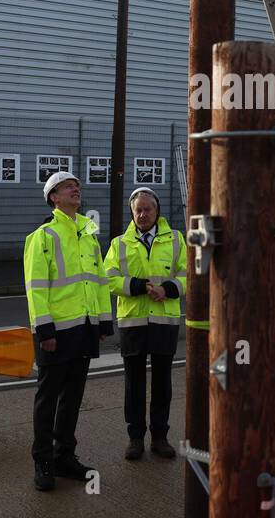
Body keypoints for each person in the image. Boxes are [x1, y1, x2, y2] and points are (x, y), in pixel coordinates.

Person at [25, 171, 113, 491]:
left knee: (72, 398)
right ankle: (43, 460)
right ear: (53, 198)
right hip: (56, 332)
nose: (76, 189)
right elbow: (35, 288)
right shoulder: (43, 236)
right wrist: (44, 330)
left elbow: (99, 281)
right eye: (67, 186)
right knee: (48, 399)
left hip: (85, 329)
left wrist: (104, 321)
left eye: (77, 186)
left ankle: (64, 457)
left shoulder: (88, 236)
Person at [104, 187, 188, 461]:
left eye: (147, 209)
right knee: (134, 384)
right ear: (132, 212)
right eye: (137, 210)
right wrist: (137, 286)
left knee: (163, 383)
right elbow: (108, 278)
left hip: (164, 320)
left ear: (157, 210)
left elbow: (190, 274)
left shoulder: (176, 239)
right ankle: (135, 438)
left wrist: (170, 289)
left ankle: (160, 437)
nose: (142, 214)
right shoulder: (119, 244)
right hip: (133, 322)